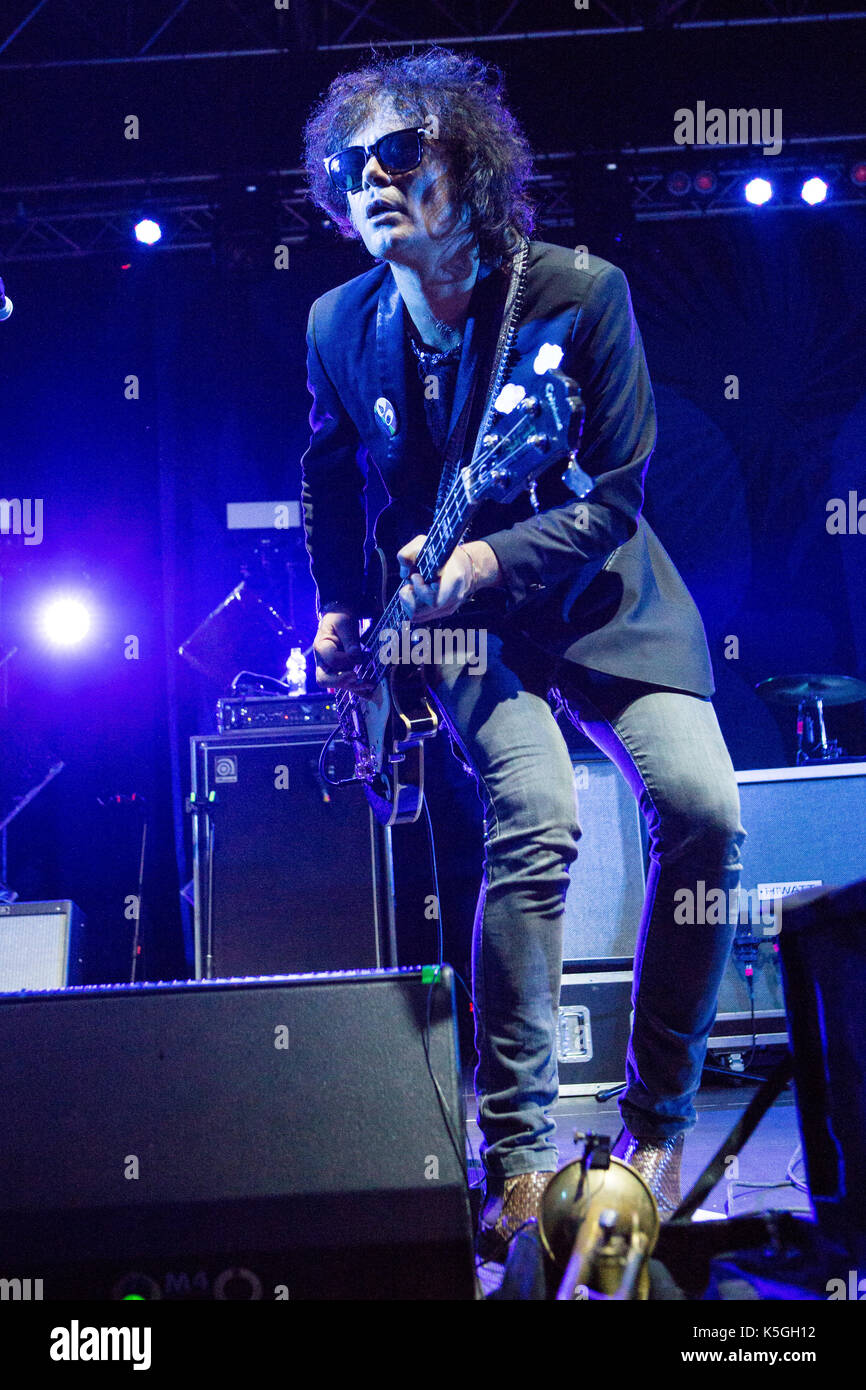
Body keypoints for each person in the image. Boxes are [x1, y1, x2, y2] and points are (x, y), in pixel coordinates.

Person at [300, 48, 746, 1263]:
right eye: (353, 162)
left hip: (601, 594)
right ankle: (517, 1154)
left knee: (702, 804)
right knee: (535, 811)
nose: (372, 177)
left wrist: (489, 560)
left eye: (401, 154)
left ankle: (654, 1123)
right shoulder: (336, 322)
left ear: (469, 167)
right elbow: (328, 474)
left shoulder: (574, 295)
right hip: (454, 624)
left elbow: (609, 494)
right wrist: (342, 608)